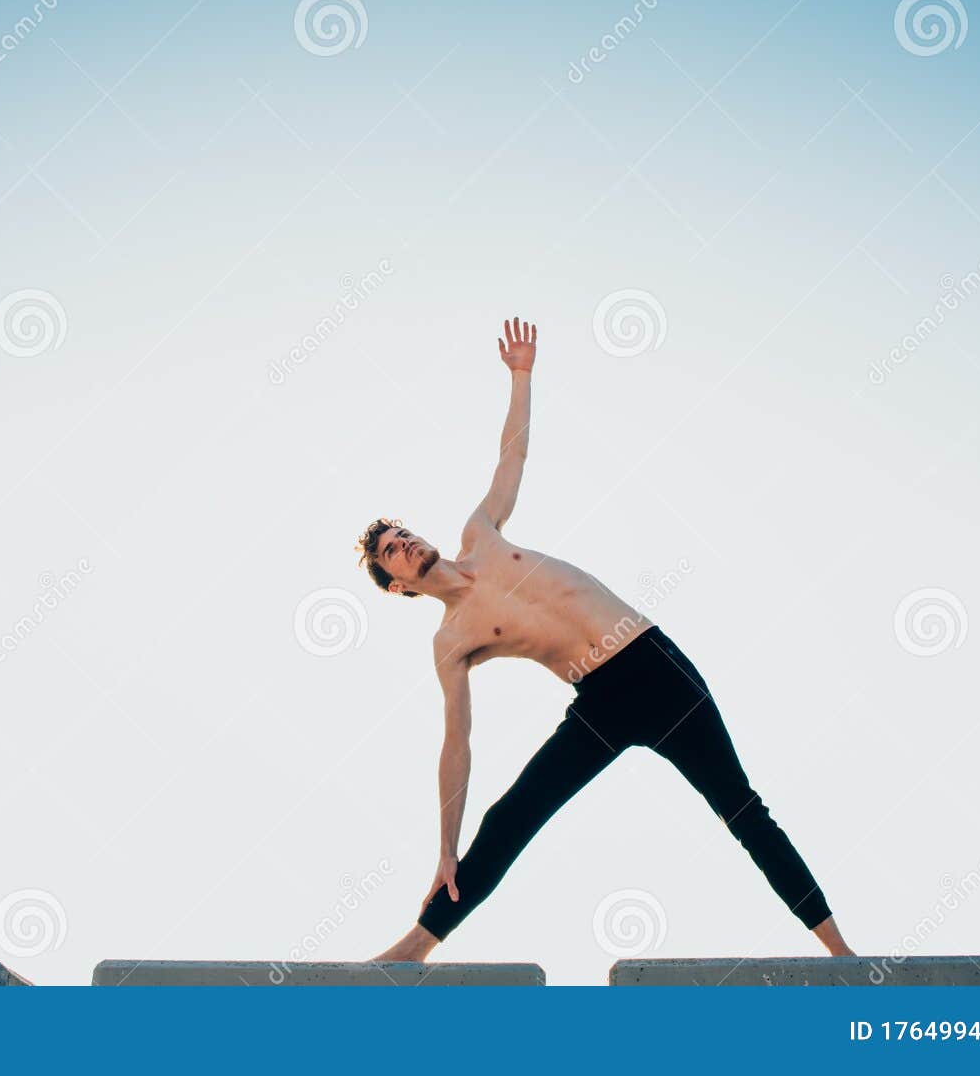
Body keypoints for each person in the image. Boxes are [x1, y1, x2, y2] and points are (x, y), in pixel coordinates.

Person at [362, 318, 853, 961]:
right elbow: (458, 742)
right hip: (599, 701)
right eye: (392, 553)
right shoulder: (452, 641)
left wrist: (520, 376)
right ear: (397, 586)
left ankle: (842, 954)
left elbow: (512, 456)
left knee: (742, 810)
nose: (407, 546)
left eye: (403, 536)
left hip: (655, 664)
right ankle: (410, 954)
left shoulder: (481, 533)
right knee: (511, 817)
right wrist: (446, 847)